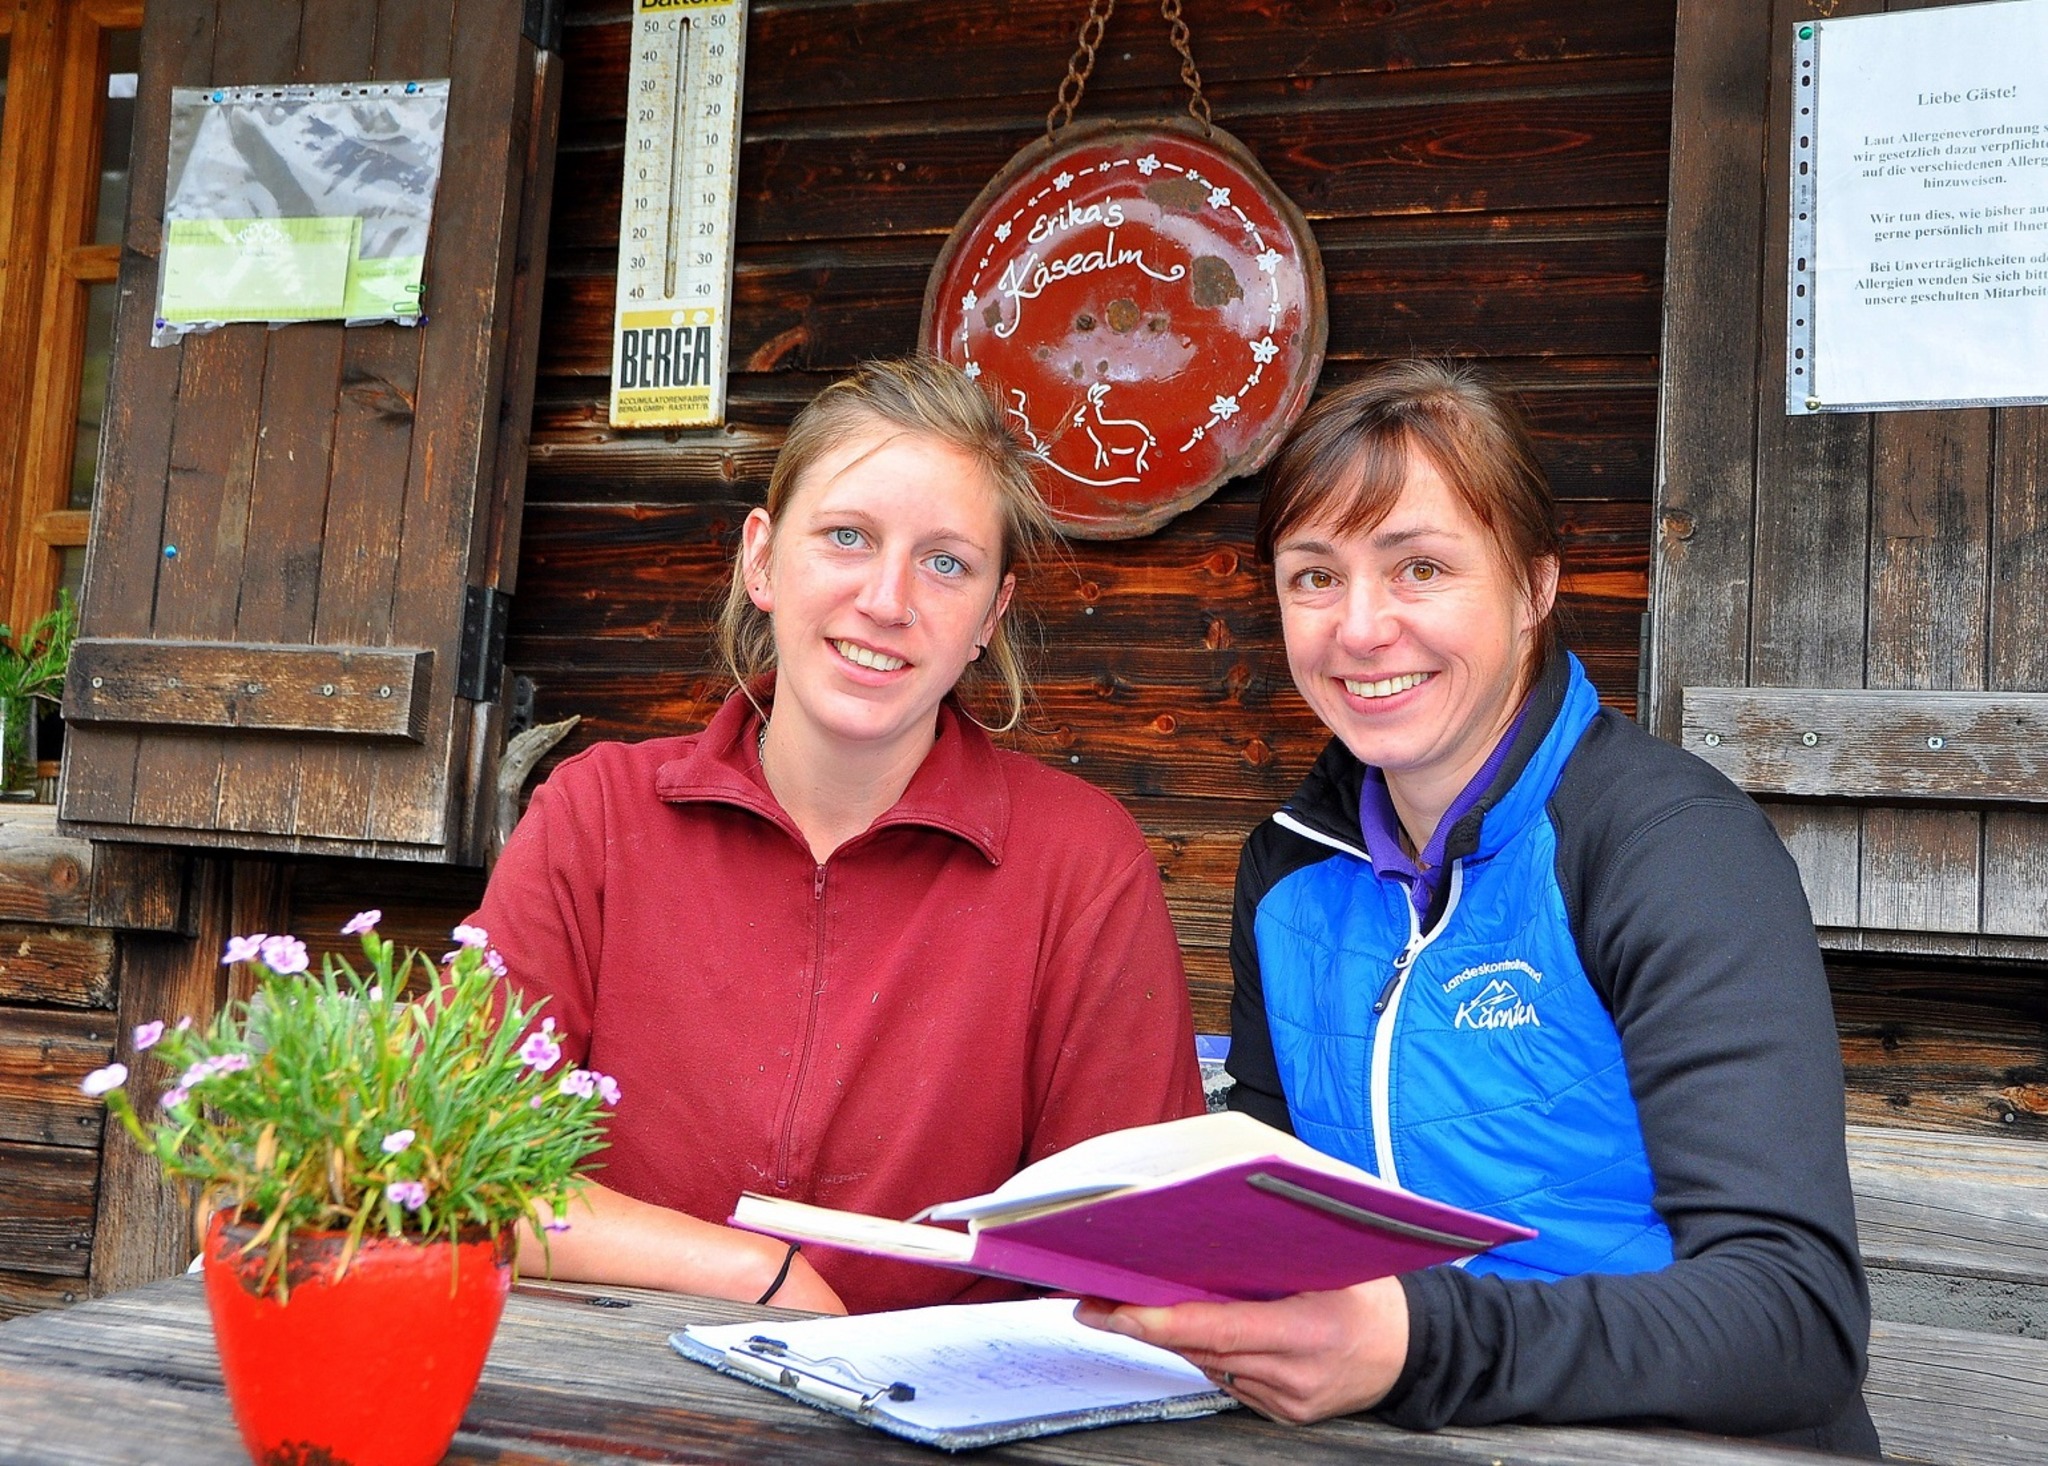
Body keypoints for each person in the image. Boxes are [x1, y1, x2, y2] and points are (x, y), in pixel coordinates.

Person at [1077, 360, 1879, 1454]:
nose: (1359, 628)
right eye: (1313, 576)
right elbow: (1273, 1194)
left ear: (1533, 584)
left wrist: (1416, 1343)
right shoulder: (1290, 867)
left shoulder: (1665, 848)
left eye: (1418, 566)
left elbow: (1793, 1319)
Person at [473, 355, 1204, 1316]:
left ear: (992, 614)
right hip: (613, 1397)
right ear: (762, 559)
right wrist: (752, 1272)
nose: (888, 601)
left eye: (947, 562)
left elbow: (1130, 1240)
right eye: (848, 537)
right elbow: (455, 1169)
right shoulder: (597, 814)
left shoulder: (1079, 862)